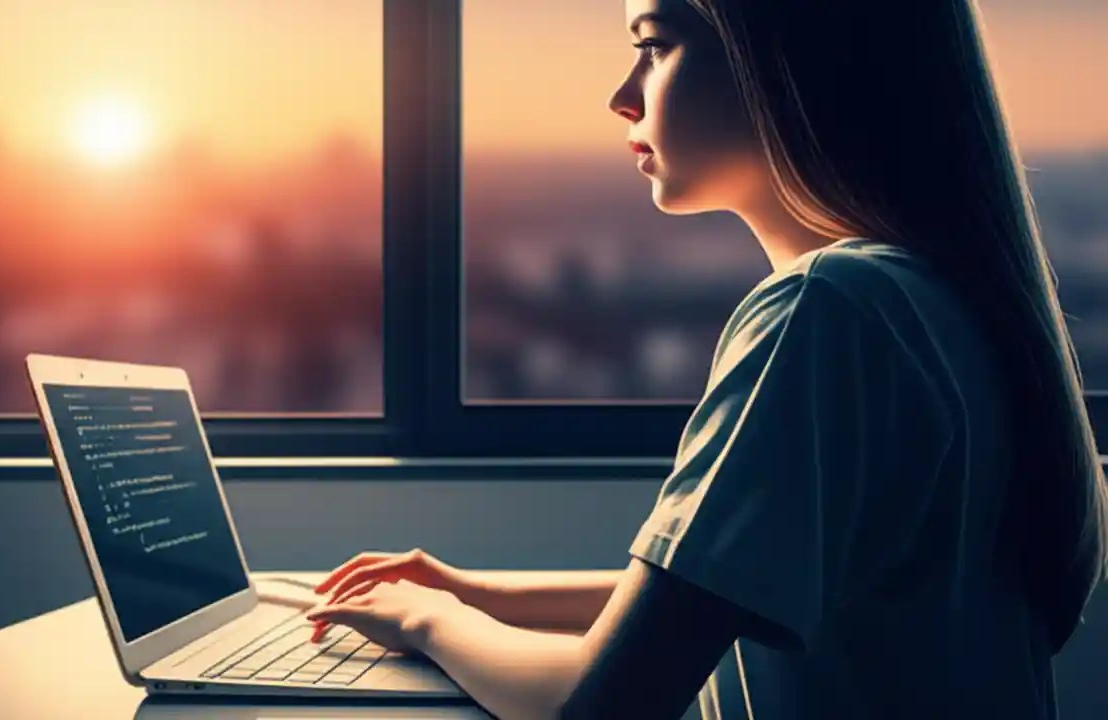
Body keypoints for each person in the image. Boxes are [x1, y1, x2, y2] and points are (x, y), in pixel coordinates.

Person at [302, 1, 1108, 717]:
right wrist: (476, 593)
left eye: (655, 44)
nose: (622, 94)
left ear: (787, 61)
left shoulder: (828, 311)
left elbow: (597, 702)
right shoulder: (936, 302)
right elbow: (712, 602)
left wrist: (425, 621)